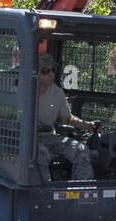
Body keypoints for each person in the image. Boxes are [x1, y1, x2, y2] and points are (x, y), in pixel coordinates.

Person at [35, 52, 99, 181]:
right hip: (26, 140)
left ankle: (82, 188)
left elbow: (67, 118)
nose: (51, 74)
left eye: (53, 70)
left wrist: (88, 125)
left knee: (80, 149)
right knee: (41, 154)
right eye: (45, 71)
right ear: (36, 72)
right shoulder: (25, 90)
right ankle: (45, 191)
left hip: (48, 137)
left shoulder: (57, 93)